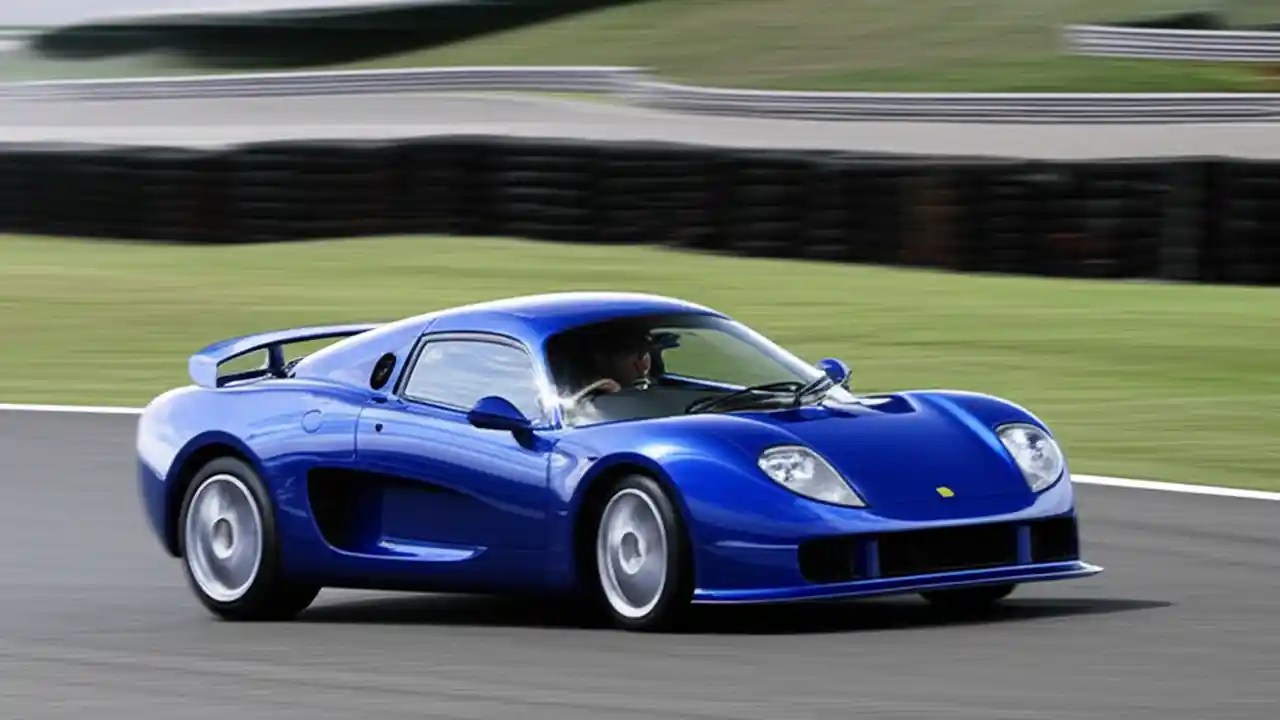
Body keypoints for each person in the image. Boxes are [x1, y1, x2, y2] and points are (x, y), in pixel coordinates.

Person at [567, 329, 653, 403]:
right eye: (627, 352)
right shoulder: (574, 396)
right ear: (600, 357)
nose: (643, 367)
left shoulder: (657, 391)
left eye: (644, 352)